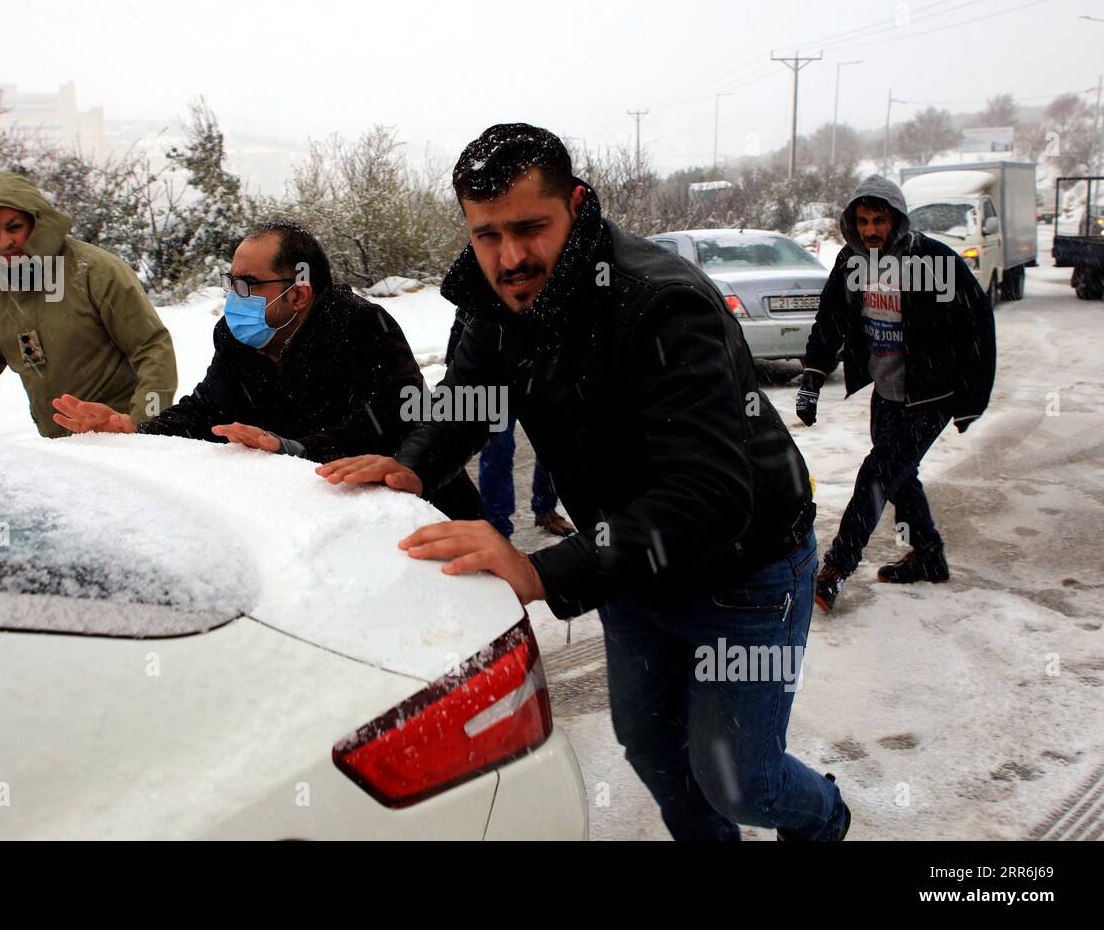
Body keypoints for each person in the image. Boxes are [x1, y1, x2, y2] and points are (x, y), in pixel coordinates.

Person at [317, 124, 848, 841]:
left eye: (531, 228)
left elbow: (711, 495)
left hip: (744, 571)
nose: (510, 258)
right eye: (487, 235)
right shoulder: (494, 296)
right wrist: (411, 460)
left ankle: (823, 819)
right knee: (653, 747)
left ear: (576, 203)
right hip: (629, 568)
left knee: (739, 780)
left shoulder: (659, 300)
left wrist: (541, 574)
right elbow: (471, 394)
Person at [53, 221, 481, 519]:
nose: (235, 296)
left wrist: (291, 448)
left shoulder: (361, 324)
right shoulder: (234, 338)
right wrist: (139, 433)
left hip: (421, 504)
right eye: (232, 281)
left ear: (299, 294)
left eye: (249, 284)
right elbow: (207, 410)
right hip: (322, 513)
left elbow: (390, 419)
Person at [795, 175, 995, 611]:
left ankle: (834, 569)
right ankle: (928, 556)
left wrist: (971, 400)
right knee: (898, 475)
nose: (870, 230)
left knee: (876, 475)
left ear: (897, 220)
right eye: (863, 221)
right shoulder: (852, 262)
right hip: (886, 392)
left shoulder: (934, 262)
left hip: (930, 395)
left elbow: (977, 324)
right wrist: (811, 379)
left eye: (879, 220)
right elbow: (829, 320)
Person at [0, 172, 177, 438]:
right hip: (61, 455)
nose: (5, 242)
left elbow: (153, 347)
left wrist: (143, 423)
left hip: (121, 442)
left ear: (37, 222)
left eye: (14, 227)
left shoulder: (95, 271)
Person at [445, 311, 575, 538]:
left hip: (539, 379)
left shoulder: (546, 285)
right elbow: (463, 324)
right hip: (494, 386)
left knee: (552, 447)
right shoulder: (483, 286)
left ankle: (545, 509)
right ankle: (498, 528)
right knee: (497, 454)